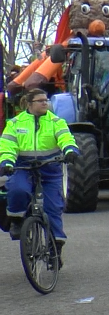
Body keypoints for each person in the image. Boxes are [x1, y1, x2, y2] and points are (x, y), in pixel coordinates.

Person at [0, 89, 78, 252]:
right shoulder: (15, 123)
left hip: (49, 168)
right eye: (40, 100)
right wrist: (7, 162)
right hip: (23, 167)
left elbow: (65, 137)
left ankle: (56, 244)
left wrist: (69, 150)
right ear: (29, 104)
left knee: (53, 207)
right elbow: (8, 145)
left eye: (46, 100)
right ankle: (17, 220)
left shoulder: (56, 121)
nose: (45, 103)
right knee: (17, 190)